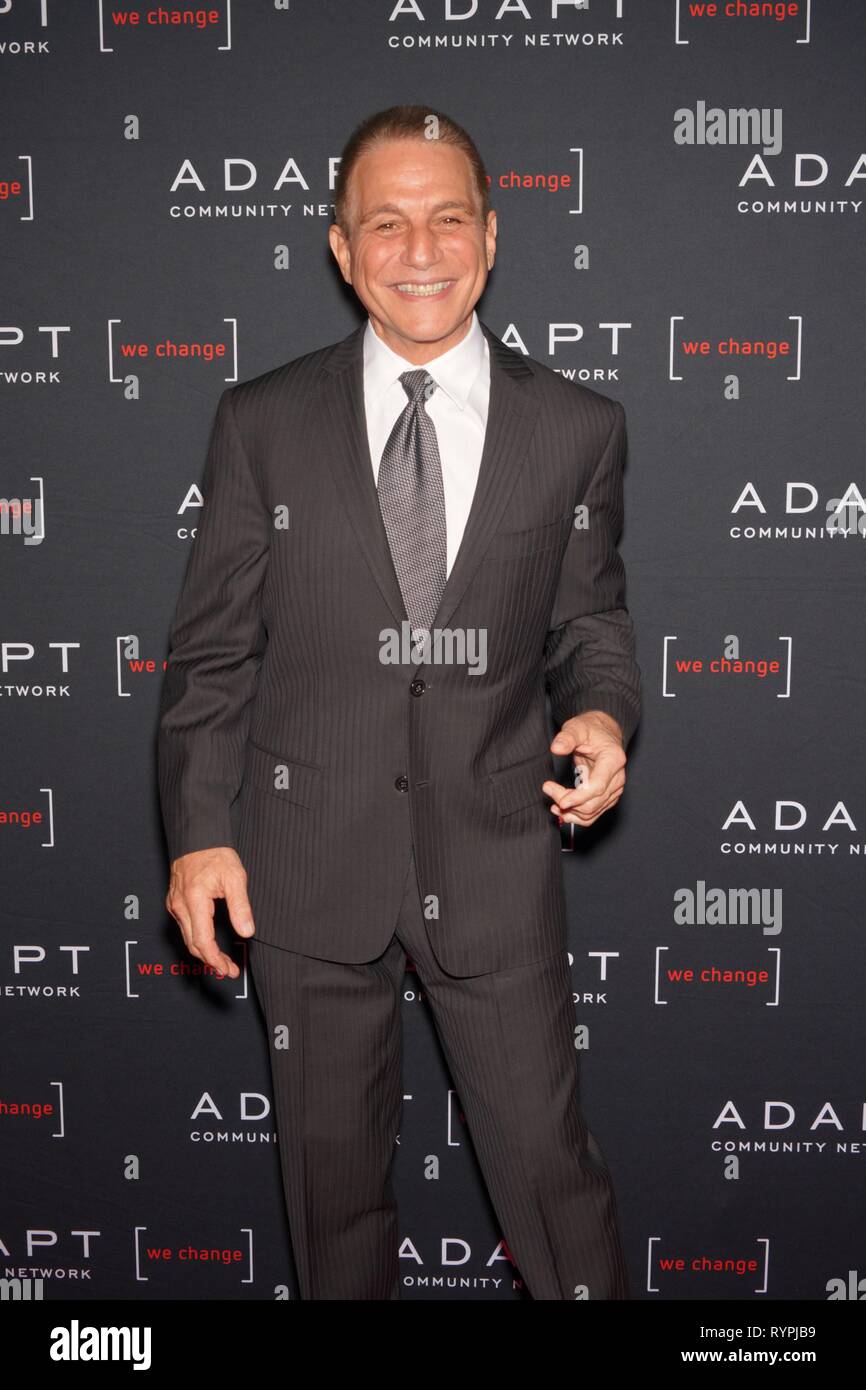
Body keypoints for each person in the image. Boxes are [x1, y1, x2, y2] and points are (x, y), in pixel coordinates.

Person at [157, 104, 641, 1301]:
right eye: (385, 222)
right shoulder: (258, 424)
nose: (417, 250)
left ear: (489, 234)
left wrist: (603, 716)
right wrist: (201, 834)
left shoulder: (577, 428)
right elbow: (212, 656)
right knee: (331, 1207)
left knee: (552, 1180)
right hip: (304, 866)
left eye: (443, 220)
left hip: (491, 863)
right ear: (339, 247)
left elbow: (590, 626)